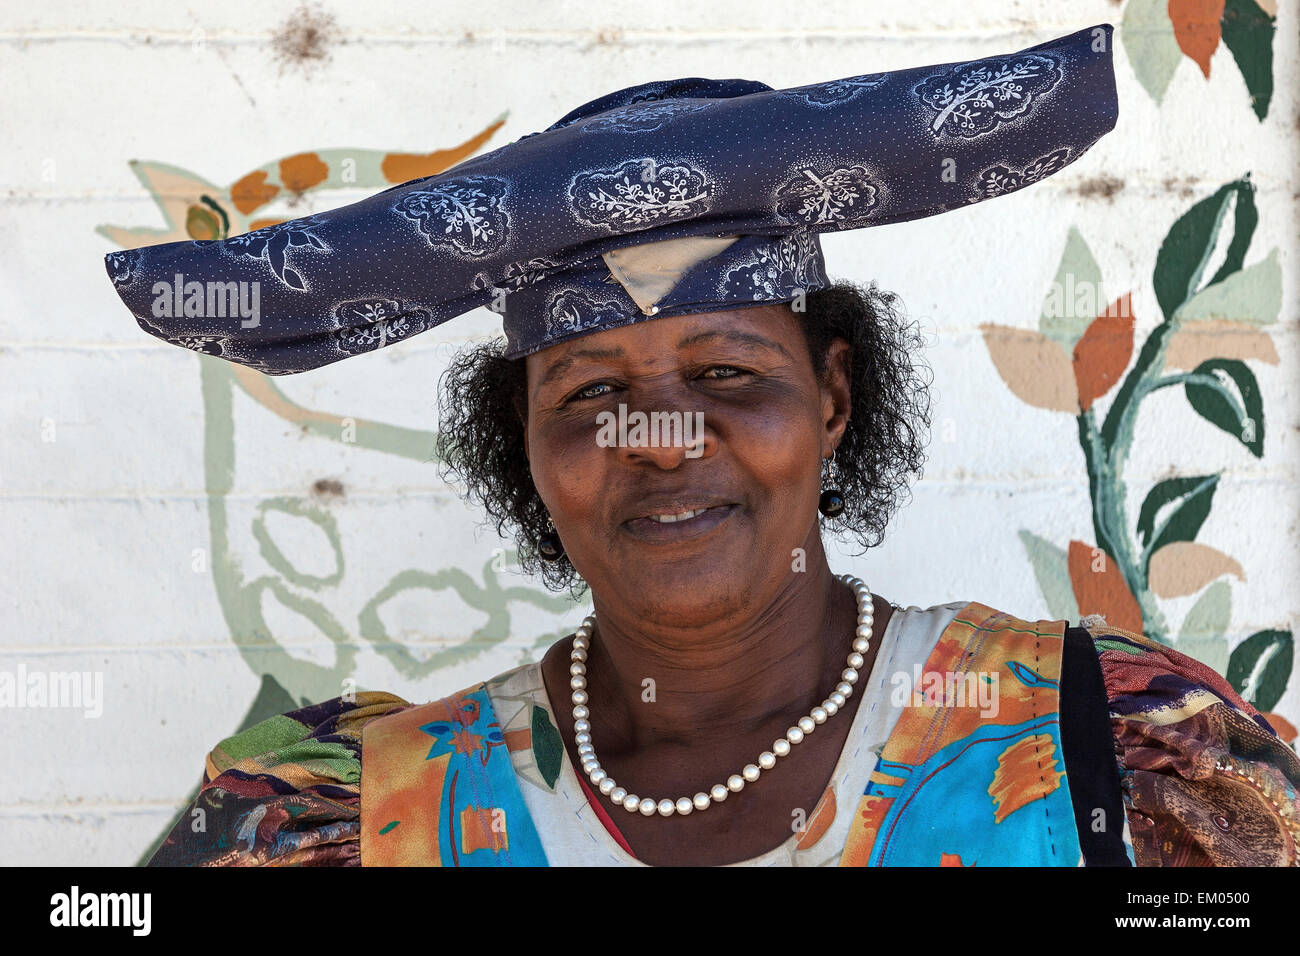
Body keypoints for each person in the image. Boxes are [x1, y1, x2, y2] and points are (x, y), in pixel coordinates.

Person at [106, 23, 1300, 866]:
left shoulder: (1100, 741)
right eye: (584, 394)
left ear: (831, 398)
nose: (662, 438)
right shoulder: (362, 813)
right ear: (521, 439)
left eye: (727, 374)